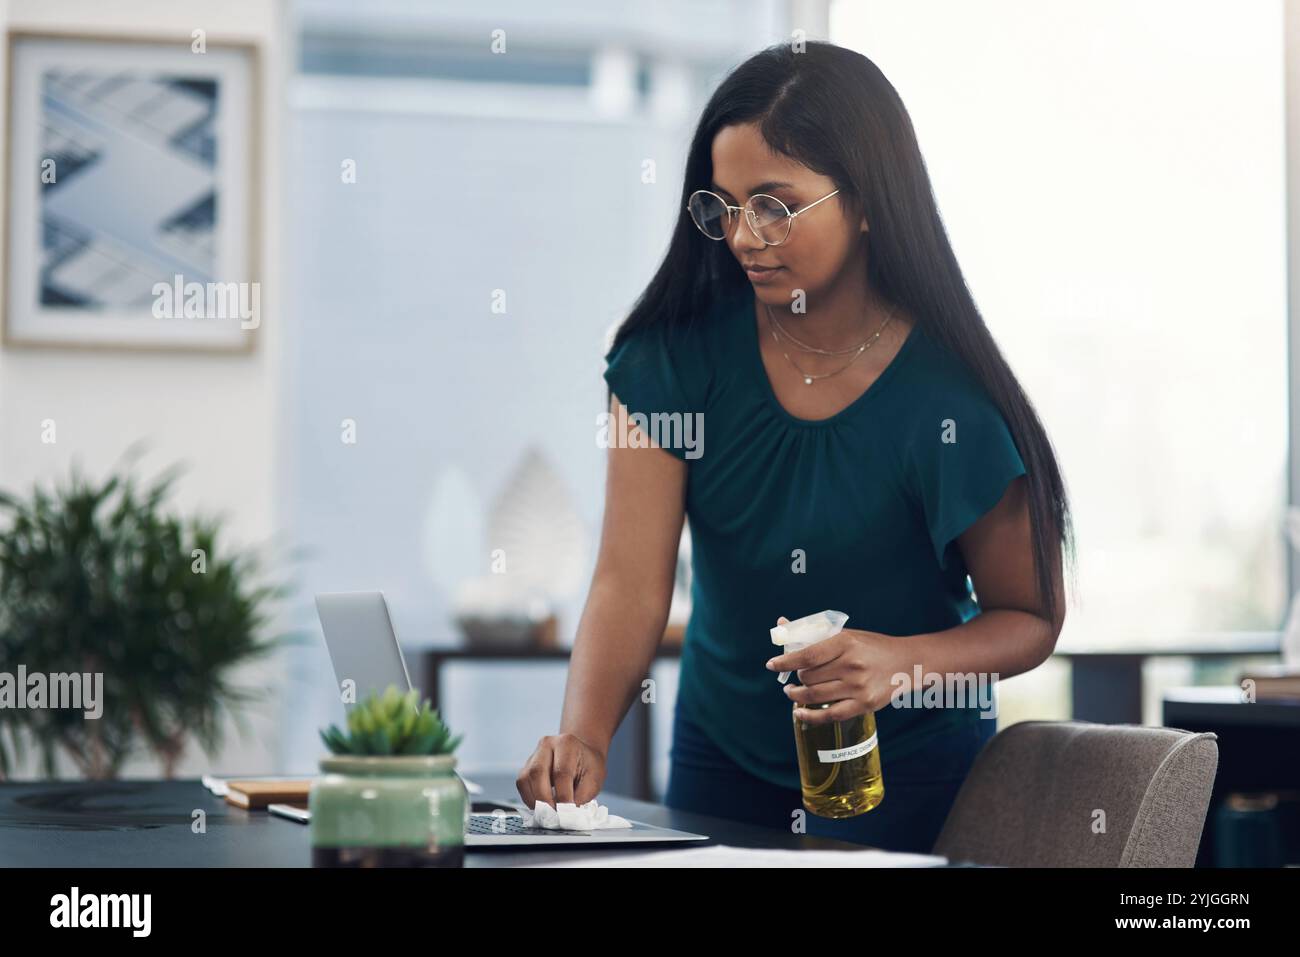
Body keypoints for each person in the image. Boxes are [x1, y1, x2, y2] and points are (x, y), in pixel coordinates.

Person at [515, 40, 1076, 853]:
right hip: (719, 761)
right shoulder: (672, 359)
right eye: (724, 205)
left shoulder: (950, 400)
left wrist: (899, 665)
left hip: (911, 775)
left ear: (868, 201)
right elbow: (628, 581)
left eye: (775, 205)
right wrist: (585, 740)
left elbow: (1029, 616)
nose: (743, 235)